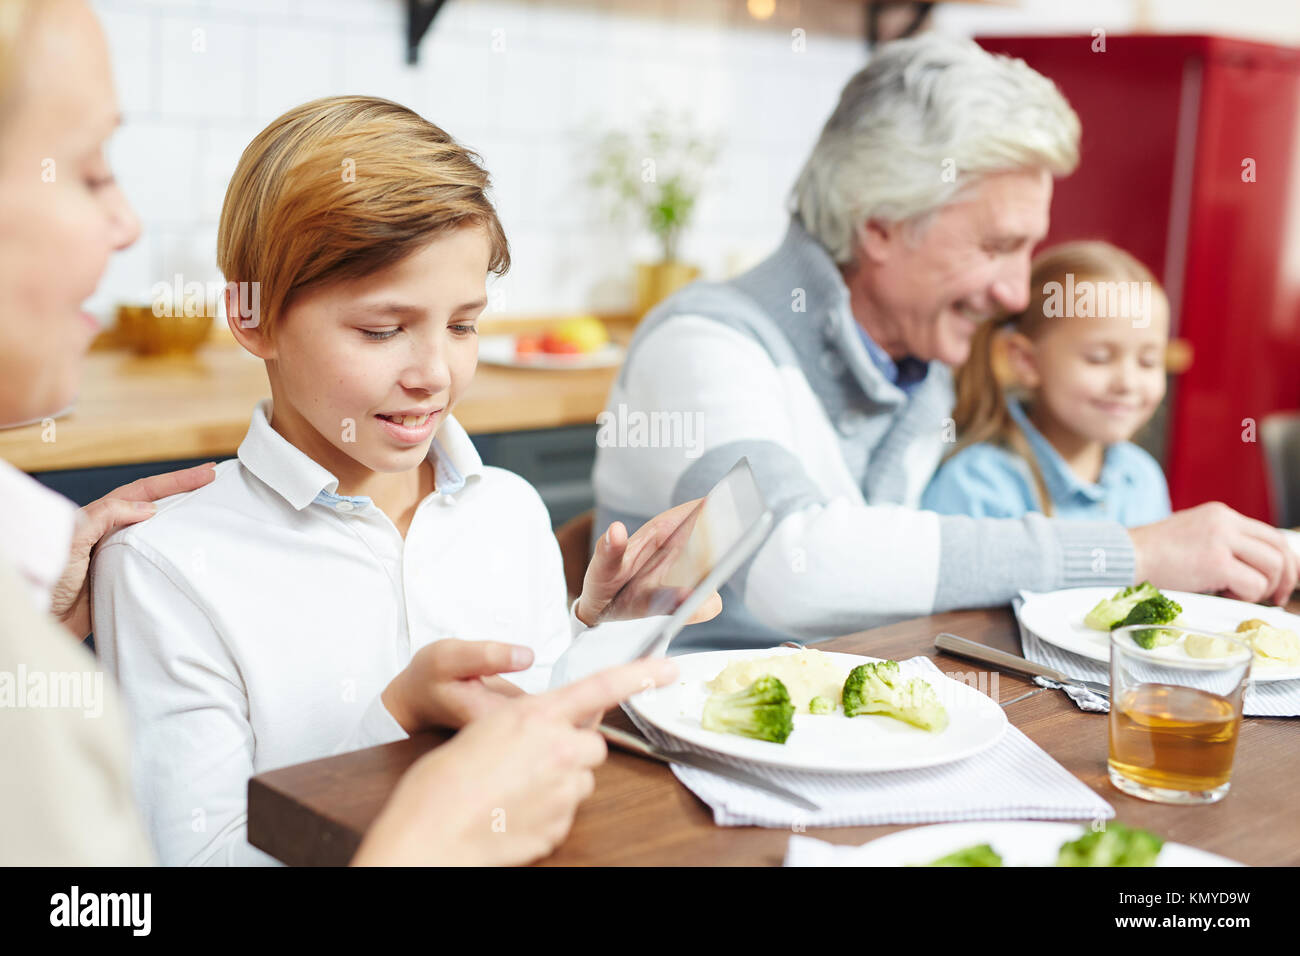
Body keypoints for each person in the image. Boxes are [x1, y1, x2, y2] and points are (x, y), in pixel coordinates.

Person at [0, 0, 678, 867]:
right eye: (381, 329)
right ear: (252, 319)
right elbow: (194, 861)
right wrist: (391, 720)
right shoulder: (167, 565)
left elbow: (541, 752)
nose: (434, 371)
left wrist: (600, 639)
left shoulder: (508, 511)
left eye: (464, 325)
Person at [591, 33, 1297, 653]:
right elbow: (793, 565)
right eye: (997, 246)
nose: (1018, 294)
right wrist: (1134, 552)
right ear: (880, 224)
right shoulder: (705, 343)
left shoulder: (928, 364)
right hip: (672, 760)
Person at [923, 241, 1172, 524]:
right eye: (1098, 358)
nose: (1127, 383)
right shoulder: (977, 483)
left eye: (1149, 361)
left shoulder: (1143, 477)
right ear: (1026, 361)